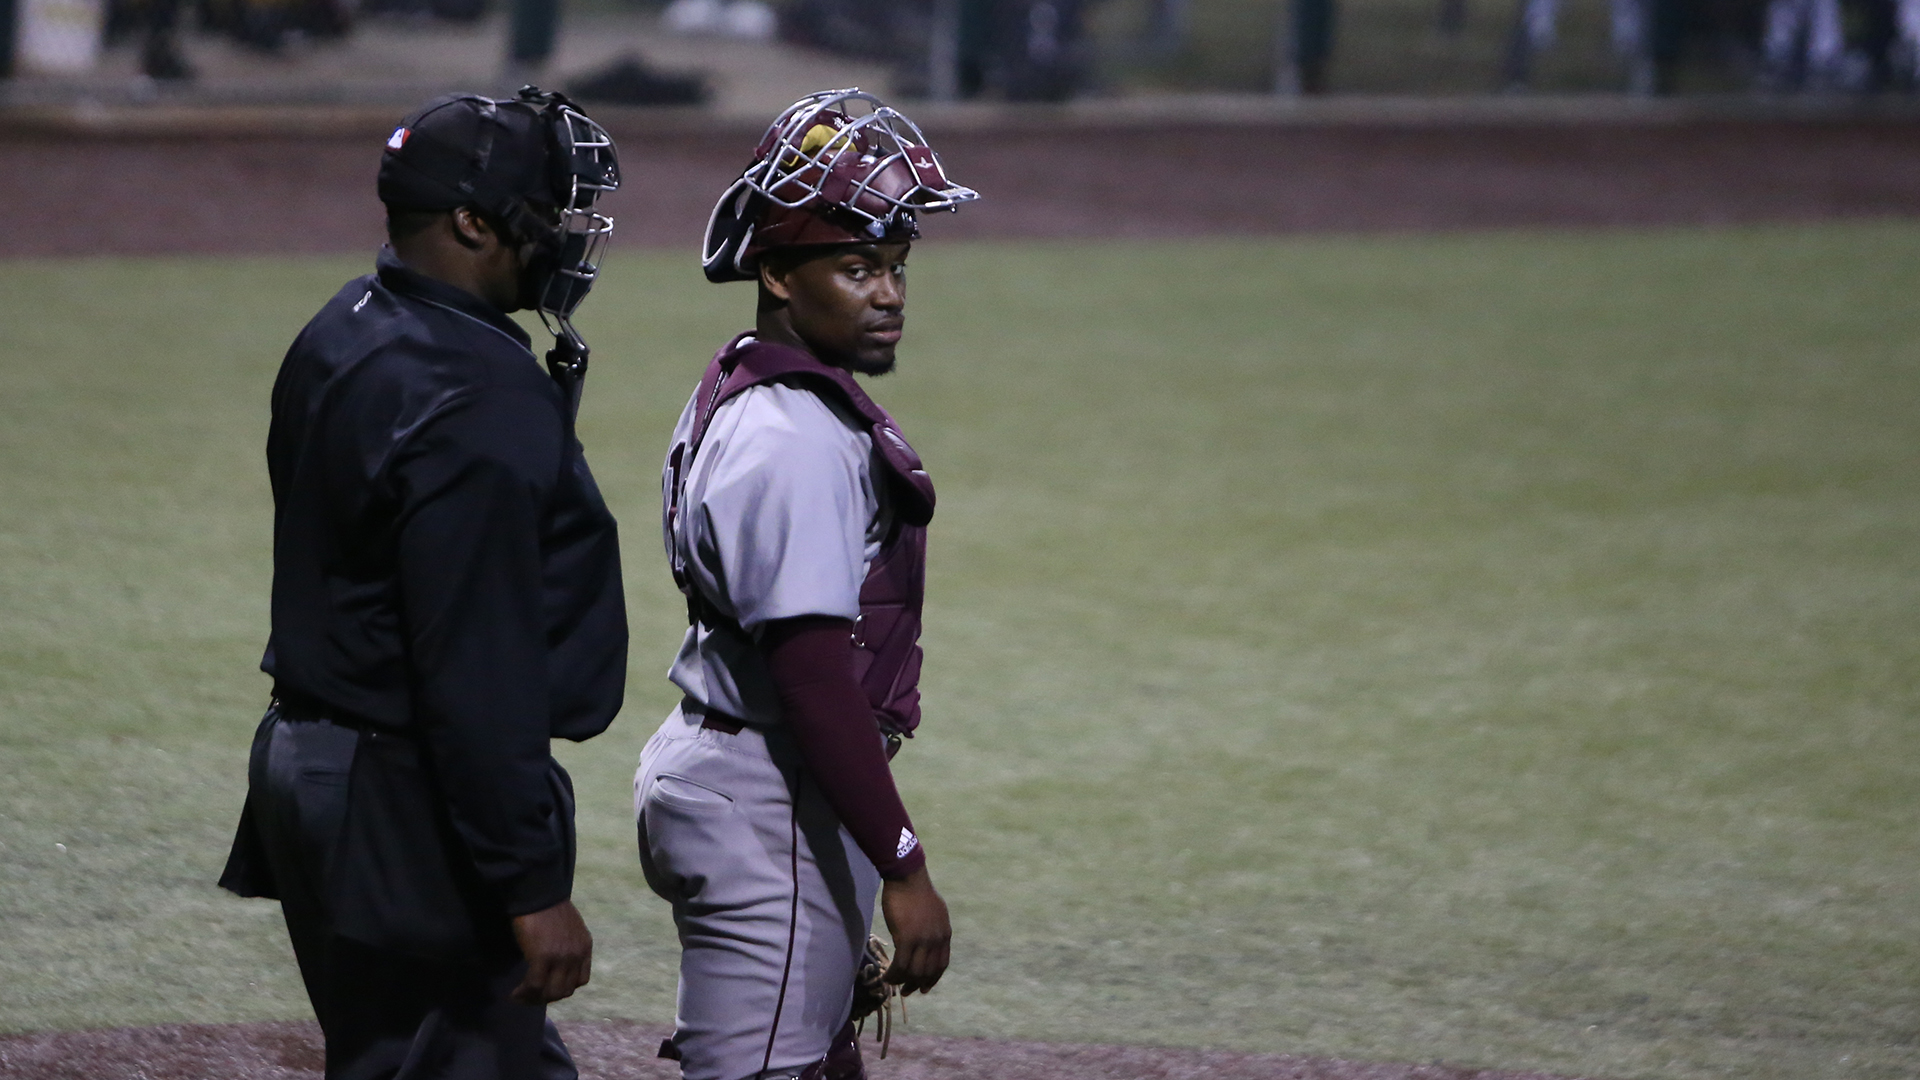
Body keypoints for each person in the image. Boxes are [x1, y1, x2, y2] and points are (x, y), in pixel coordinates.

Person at [217, 87, 627, 1080]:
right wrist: (529, 887)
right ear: (472, 222)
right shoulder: (479, 399)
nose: (568, 240)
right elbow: (470, 661)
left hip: (320, 758)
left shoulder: (347, 324)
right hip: (405, 790)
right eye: (547, 214)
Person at [635, 88, 978, 1080]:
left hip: (748, 772)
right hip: (766, 795)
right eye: (857, 267)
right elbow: (814, 675)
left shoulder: (749, 385)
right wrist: (905, 866)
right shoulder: (791, 440)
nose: (889, 293)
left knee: (819, 1057)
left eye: (897, 267)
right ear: (778, 272)